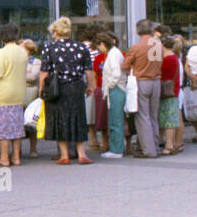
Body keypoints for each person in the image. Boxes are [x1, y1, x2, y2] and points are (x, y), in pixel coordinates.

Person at [38, 17, 95, 165]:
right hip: (76, 86)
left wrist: (41, 89)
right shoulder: (81, 47)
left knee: (60, 119)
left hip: (59, 87)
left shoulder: (50, 47)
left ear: (55, 32)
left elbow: (44, 71)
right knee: (78, 118)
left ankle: (64, 156)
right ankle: (82, 154)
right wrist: (90, 86)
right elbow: (89, 70)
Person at [0, 24, 27, 167]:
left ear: (2, 36)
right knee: (16, 126)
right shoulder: (22, 52)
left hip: (3, 94)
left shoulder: (1, 53)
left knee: (3, 128)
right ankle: (16, 156)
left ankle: (4, 158)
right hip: (19, 93)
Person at [124, 18, 164, 158]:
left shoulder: (136, 47)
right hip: (156, 81)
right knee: (153, 116)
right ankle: (156, 146)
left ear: (137, 31)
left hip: (142, 81)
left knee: (143, 117)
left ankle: (149, 150)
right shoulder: (158, 45)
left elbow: (125, 65)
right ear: (152, 30)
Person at [97, 32, 126, 159]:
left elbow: (116, 73)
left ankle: (116, 149)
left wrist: (110, 85)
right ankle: (116, 148)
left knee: (115, 120)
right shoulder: (115, 53)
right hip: (116, 88)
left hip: (116, 89)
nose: (98, 48)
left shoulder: (113, 54)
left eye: (99, 45)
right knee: (115, 120)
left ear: (103, 43)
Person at [160, 35, 185, 154]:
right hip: (173, 91)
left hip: (168, 92)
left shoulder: (168, 58)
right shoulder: (174, 57)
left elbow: (162, 74)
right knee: (170, 117)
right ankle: (172, 143)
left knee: (169, 118)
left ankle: (169, 144)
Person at [21, 38, 42, 158]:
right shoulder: (17, 61)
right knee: (18, 123)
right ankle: (17, 150)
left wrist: (18, 74)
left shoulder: (36, 61)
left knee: (31, 123)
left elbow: (33, 76)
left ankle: (33, 149)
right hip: (19, 93)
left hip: (31, 95)